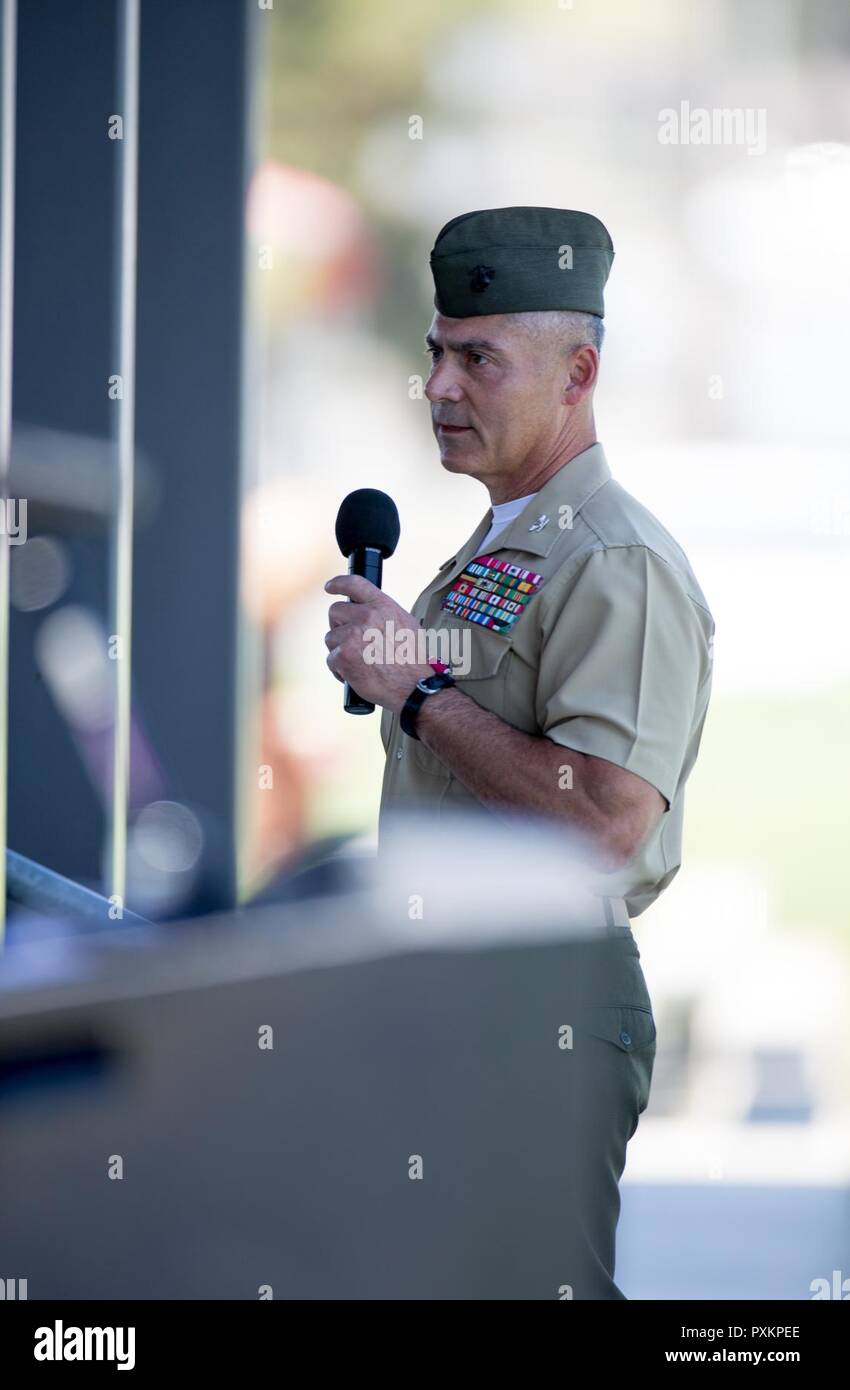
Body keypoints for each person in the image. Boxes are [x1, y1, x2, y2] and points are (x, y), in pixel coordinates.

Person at [323, 206, 715, 1297]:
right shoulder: (508, 539)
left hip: (538, 1007)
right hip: (453, 993)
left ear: (577, 373)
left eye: (477, 359)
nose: (440, 388)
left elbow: (600, 824)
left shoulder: (613, 559)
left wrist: (413, 683)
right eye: (435, 354)